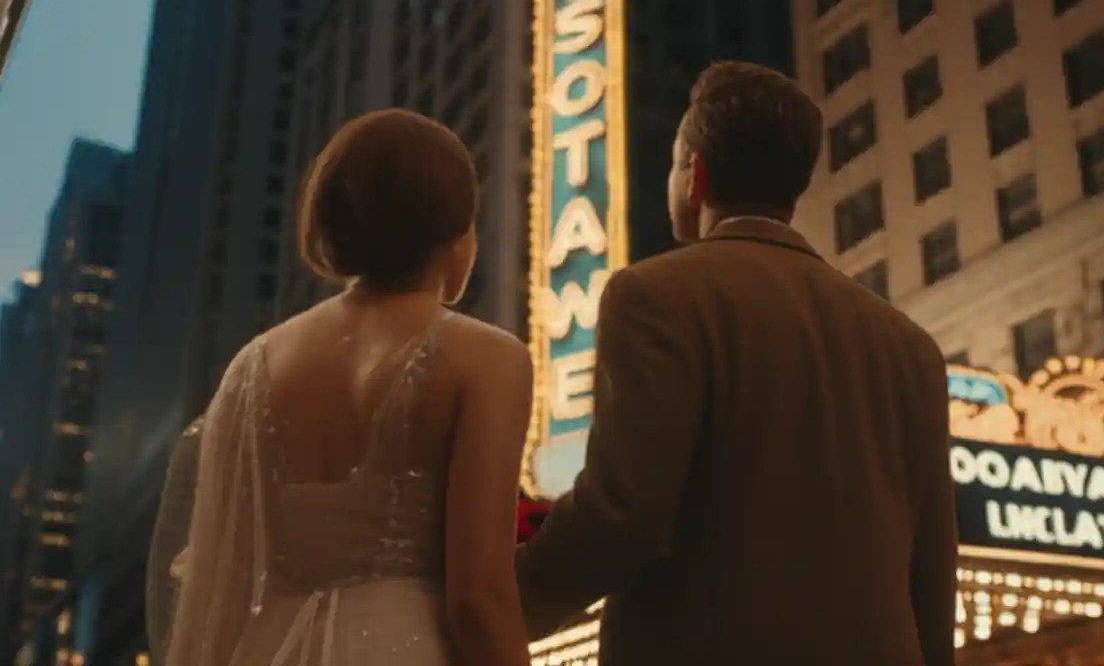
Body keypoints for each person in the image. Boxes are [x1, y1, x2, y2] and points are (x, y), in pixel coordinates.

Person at [517, 62, 957, 665]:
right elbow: (932, 569)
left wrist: (495, 602)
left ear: (694, 176)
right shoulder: (911, 346)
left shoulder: (654, 295)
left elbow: (623, 516)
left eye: (674, 163)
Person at [156, 109, 532, 665]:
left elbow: (222, 579)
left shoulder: (252, 366)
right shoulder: (488, 359)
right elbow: (478, 597)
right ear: (454, 232)